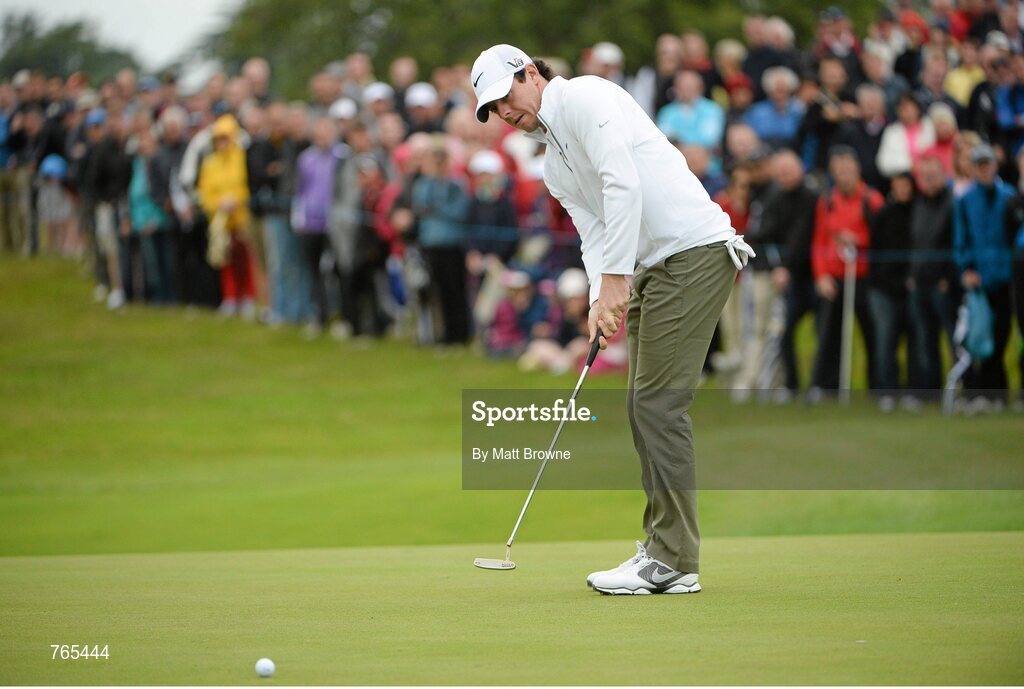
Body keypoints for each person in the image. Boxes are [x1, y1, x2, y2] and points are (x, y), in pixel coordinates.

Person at [472, 43, 753, 594]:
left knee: (658, 405)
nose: (505, 113)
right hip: (653, 266)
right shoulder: (553, 164)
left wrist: (616, 282)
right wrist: (604, 298)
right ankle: (661, 550)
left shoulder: (586, 97)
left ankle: (673, 558)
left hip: (692, 251)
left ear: (531, 73)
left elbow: (622, 183)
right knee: (640, 405)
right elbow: (593, 233)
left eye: (506, 97)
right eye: (494, 109)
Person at [809, 146, 883, 396]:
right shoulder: (827, 201)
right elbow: (819, 240)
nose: (844, 174)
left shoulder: (871, 199)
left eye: (848, 168)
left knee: (872, 333)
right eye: (838, 170)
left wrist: (858, 239)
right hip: (834, 278)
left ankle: (878, 387)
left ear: (857, 169)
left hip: (863, 278)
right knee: (829, 335)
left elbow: (881, 237)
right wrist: (821, 275)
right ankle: (825, 386)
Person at [953, 142, 1014, 410]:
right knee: (980, 337)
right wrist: (966, 268)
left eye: (987, 164)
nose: (984, 169)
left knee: (1002, 336)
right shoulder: (966, 200)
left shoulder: (1009, 196)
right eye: (979, 165)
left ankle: (998, 393)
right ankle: (982, 393)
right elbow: (961, 240)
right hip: (980, 280)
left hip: (1007, 277)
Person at [867, 171, 915, 411]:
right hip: (883, 288)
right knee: (885, 339)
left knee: (913, 339)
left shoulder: (917, 212)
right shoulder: (883, 214)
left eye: (906, 185)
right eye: (899, 185)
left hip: (910, 287)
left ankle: (914, 390)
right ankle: (886, 390)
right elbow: (874, 251)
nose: (903, 190)